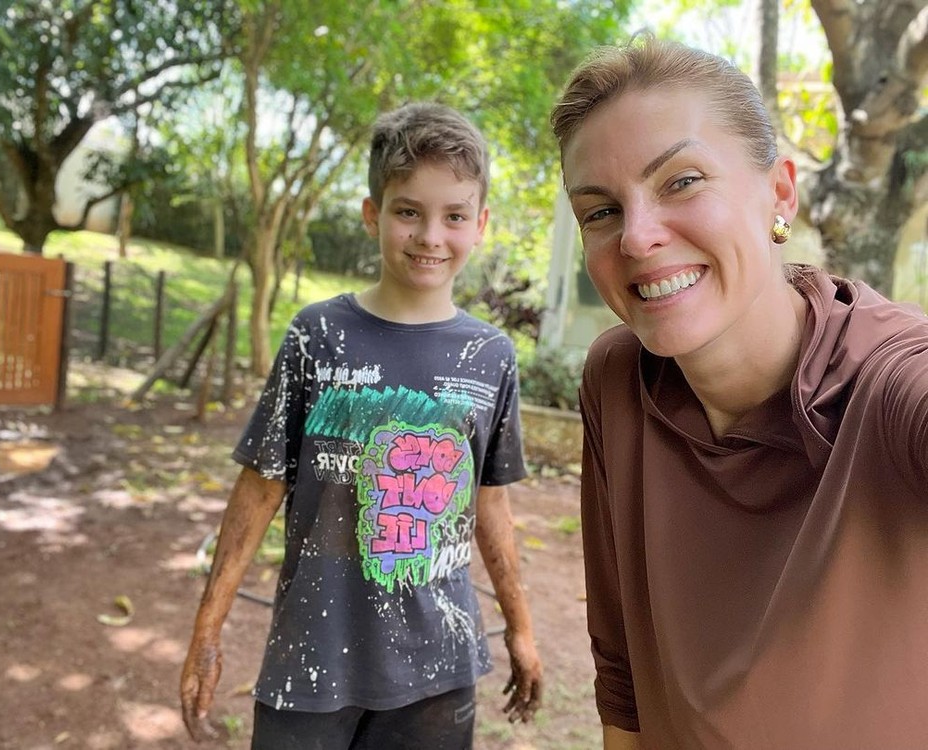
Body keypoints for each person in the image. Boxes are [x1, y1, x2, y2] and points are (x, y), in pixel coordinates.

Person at [550, 36, 928, 750]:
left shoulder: (888, 379)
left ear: (780, 191)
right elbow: (623, 671)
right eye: (600, 211)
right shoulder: (617, 379)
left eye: (682, 181)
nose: (636, 236)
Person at [180, 102, 543, 749]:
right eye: (409, 211)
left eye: (454, 215)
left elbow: (490, 500)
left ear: (480, 224)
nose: (432, 236)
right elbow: (260, 487)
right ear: (373, 214)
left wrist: (520, 625)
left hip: (437, 669)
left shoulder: (491, 357)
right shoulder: (317, 335)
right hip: (312, 661)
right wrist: (208, 628)